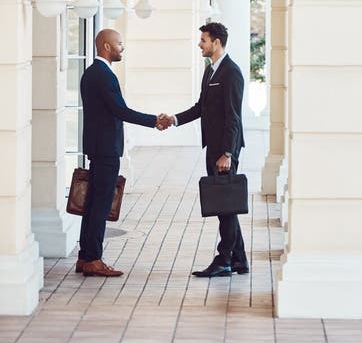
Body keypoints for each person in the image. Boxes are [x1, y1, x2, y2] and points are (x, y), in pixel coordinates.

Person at [77, 28, 172, 276]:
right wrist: (154, 120)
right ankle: (93, 259)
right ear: (106, 47)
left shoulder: (90, 73)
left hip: (98, 147)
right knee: (100, 204)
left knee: (92, 203)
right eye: (119, 44)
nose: (123, 48)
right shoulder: (103, 75)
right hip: (106, 149)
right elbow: (121, 110)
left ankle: (85, 257)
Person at [159, 22, 248, 278]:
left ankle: (224, 260)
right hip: (214, 147)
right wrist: (173, 119)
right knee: (225, 202)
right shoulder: (210, 71)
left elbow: (234, 117)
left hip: (225, 151)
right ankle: (239, 260)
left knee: (225, 206)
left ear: (216, 42)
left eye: (203, 40)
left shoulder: (232, 73)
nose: (200, 44)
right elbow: (201, 107)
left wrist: (228, 154)